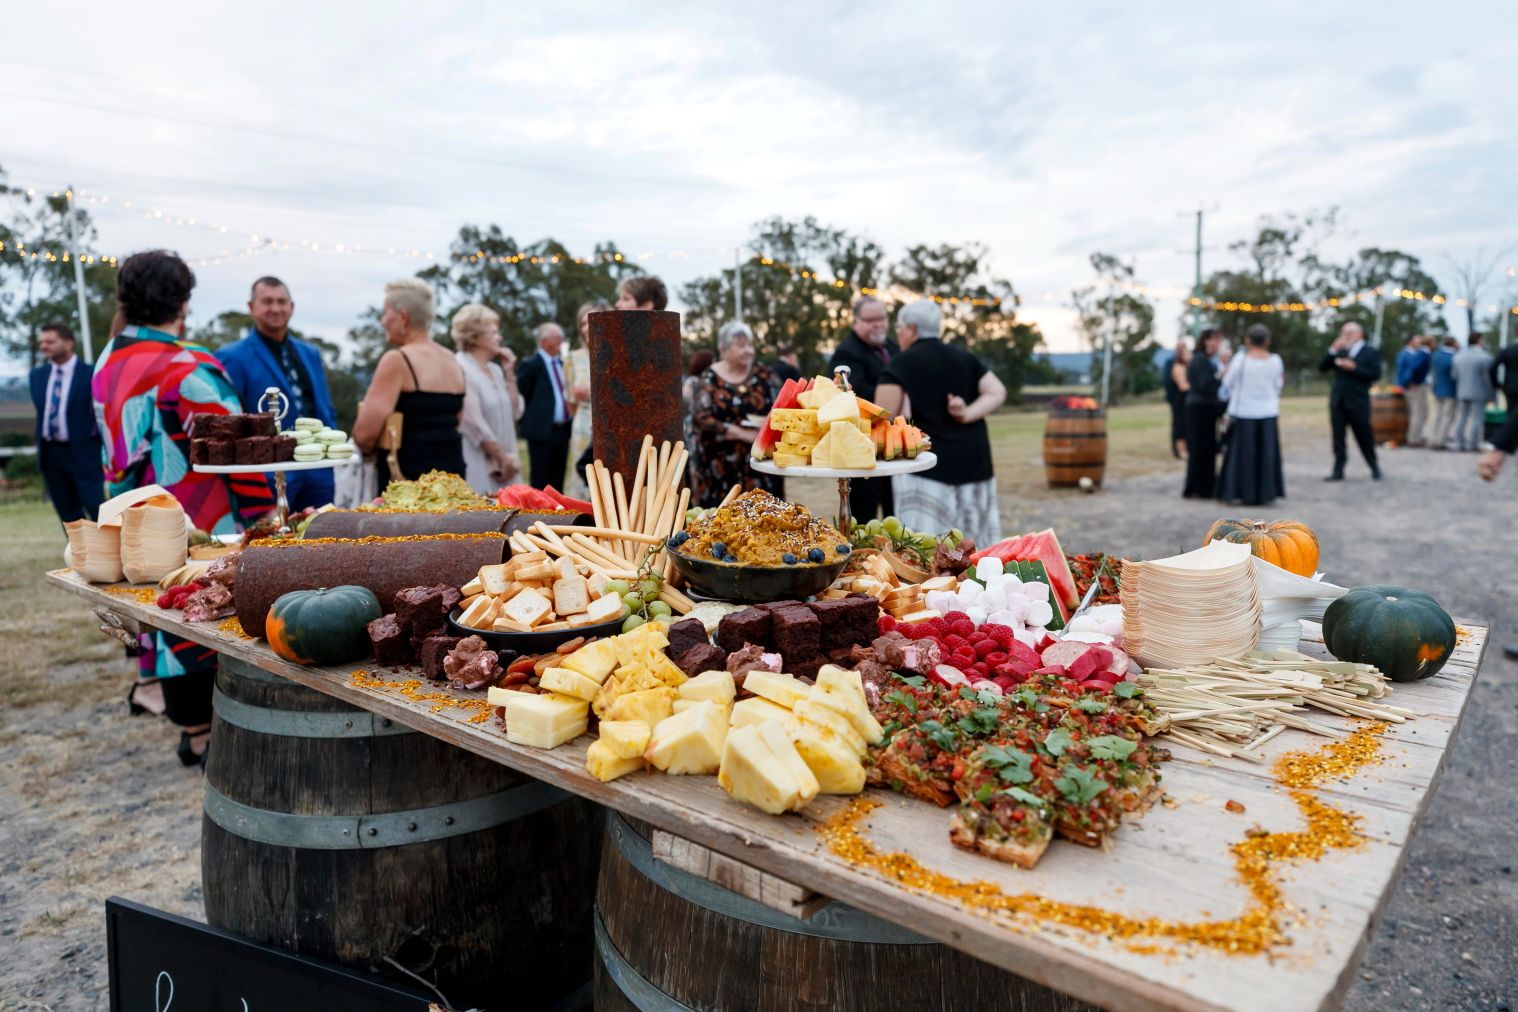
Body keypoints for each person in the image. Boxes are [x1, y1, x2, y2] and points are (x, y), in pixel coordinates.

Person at [92, 250, 276, 766]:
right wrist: (265, 517)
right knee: (202, 608)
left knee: (160, 607)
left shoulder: (108, 360)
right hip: (195, 510)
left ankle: (190, 727)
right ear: (183, 301)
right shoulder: (186, 363)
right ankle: (209, 732)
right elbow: (238, 453)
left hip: (129, 509)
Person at [873, 300, 1005, 547]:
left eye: (899, 328)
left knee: (926, 548)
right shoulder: (963, 356)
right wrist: (966, 414)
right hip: (974, 463)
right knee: (976, 548)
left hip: (928, 470)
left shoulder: (901, 363)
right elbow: (997, 391)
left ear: (911, 329)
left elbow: (882, 415)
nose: (897, 334)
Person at [215, 277, 337, 510]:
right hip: (270, 474)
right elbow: (231, 423)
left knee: (324, 538)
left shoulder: (310, 353)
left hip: (318, 472)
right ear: (252, 307)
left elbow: (324, 407)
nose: (275, 308)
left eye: (282, 301)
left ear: (292, 306)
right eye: (267, 301)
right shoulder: (231, 357)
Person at [352, 279, 467, 487]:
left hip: (408, 484)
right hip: (454, 478)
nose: (382, 321)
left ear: (402, 317)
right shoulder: (453, 360)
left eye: (385, 312)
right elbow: (457, 421)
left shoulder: (397, 360)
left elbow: (364, 435)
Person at [690, 322, 780, 507]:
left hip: (760, 466)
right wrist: (742, 434)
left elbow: (781, 410)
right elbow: (700, 417)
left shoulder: (765, 375)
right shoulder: (710, 378)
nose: (748, 350)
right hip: (719, 469)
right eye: (741, 346)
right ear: (723, 349)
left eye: (750, 345)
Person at [829, 296, 898, 523]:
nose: (877, 324)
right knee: (864, 514)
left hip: (893, 441)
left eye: (881, 319)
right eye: (870, 320)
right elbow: (856, 395)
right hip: (862, 443)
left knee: (896, 508)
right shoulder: (846, 353)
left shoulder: (893, 347)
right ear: (855, 321)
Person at [30, 322, 104, 524]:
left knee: (96, 509)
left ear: (69, 343)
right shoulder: (37, 376)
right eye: (42, 342)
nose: (44, 346)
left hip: (84, 453)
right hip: (51, 455)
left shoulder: (91, 374)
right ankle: (79, 555)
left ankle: (109, 554)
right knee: (68, 515)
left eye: (50, 341)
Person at [452, 304, 522, 495]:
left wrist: (509, 374)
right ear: (475, 337)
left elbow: (514, 412)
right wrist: (503, 459)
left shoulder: (495, 370)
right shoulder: (461, 367)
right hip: (479, 463)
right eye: (493, 332)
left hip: (505, 463)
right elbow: (472, 422)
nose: (499, 337)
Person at [1216, 324, 1285, 506]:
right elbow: (1278, 385)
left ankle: (1241, 491)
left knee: (1243, 455)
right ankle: (1265, 493)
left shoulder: (1240, 359)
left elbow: (1227, 383)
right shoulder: (1276, 360)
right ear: (1267, 341)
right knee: (1266, 454)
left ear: (1248, 340)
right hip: (1268, 411)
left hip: (1244, 411)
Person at [1319, 321, 1382, 481]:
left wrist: (1354, 367)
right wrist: (1332, 350)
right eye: (1344, 332)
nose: (1346, 336)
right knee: (1338, 437)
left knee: (1364, 435)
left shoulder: (1370, 352)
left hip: (1358, 401)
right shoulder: (1339, 351)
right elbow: (1322, 367)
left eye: (1350, 332)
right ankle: (1338, 470)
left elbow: (1375, 374)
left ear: (1359, 334)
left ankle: (1374, 466)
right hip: (1339, 401)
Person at [516, 322, 573, 490]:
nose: (561, 341)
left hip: (562, 430)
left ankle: (559, 513)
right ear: (543, 341)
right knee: (541, 479)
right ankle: (541, 514)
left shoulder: (562, 364)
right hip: (541, 432)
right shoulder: (531, 365)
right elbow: (521, 396)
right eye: (557, 337)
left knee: (558, 478)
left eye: (561, 337)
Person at [564, 299, 610, 500]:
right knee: (582, 475)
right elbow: (570, 401)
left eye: (591, 321)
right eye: (582, 323)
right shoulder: (573, 359)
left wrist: (592, 393)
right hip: (583, 424)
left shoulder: (616, 354)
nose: (586, 328)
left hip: (610, 424)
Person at [1182, 328, 1224, 498]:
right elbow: (1206, 385)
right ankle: (1198, 487)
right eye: (1214, 340)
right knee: (1200, 449)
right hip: (1199, 410)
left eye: (1218, 340)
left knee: (1207, 449)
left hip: (1206, 409)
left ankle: (1206, 486)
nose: (1217, 343)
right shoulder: (1200, 361)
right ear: (1206, 341)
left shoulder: (1208, 361)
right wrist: (1221, 378)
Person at [1449, 334, 1494, 452]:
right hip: (1479, 392)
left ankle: (1460, 443)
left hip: (1462, 391)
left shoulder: (1458, 356)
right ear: (1479, 341)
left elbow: (1454, 376)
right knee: (1476, 419)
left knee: (1462, 418)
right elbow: (1487, 379)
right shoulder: (1485, 357)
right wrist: (1491, 395)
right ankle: (1473, 444)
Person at [1393, 333, 1432, 447]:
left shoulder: (1412, 353)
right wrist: (1409, 383)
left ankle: (1416, 436)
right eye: (1417, 339)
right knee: (1417, 413)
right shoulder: (1406, 354)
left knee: (1419, 412)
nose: (1420, 341)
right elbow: (1407, 371)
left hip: (1412, 385)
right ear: (1410, 341)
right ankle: (1414, 439)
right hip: (1412, 386)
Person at [681, 347, 715, 471]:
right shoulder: (694, 382)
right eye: (713, 362)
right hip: (695, 428)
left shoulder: (699, 381)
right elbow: (687, 403)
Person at [1425, 336, 1460, 448]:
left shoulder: (1437, 355)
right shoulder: (1454, 357)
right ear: (1453, 344)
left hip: (1437, 389)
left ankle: (1433, 438)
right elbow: (1455, 376)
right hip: (1449, 391)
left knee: (1437, 416)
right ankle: (1440, 441)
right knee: (1447, 417)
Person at [1163, 339, 1191, 459]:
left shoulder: (1187, 364)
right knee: (1179, 425)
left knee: (1186, 424)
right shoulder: (1172, 363)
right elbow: (1170, 382)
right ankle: (1179, 449)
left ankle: (1186, 448)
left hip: (1186, 399)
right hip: (1178, 399)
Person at [1491, 337, 1518, 415]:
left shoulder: (1507, 350)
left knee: (1510, 412)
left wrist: (1496, 385)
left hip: (1510, 386)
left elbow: (1493, 368)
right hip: (1510, 387)